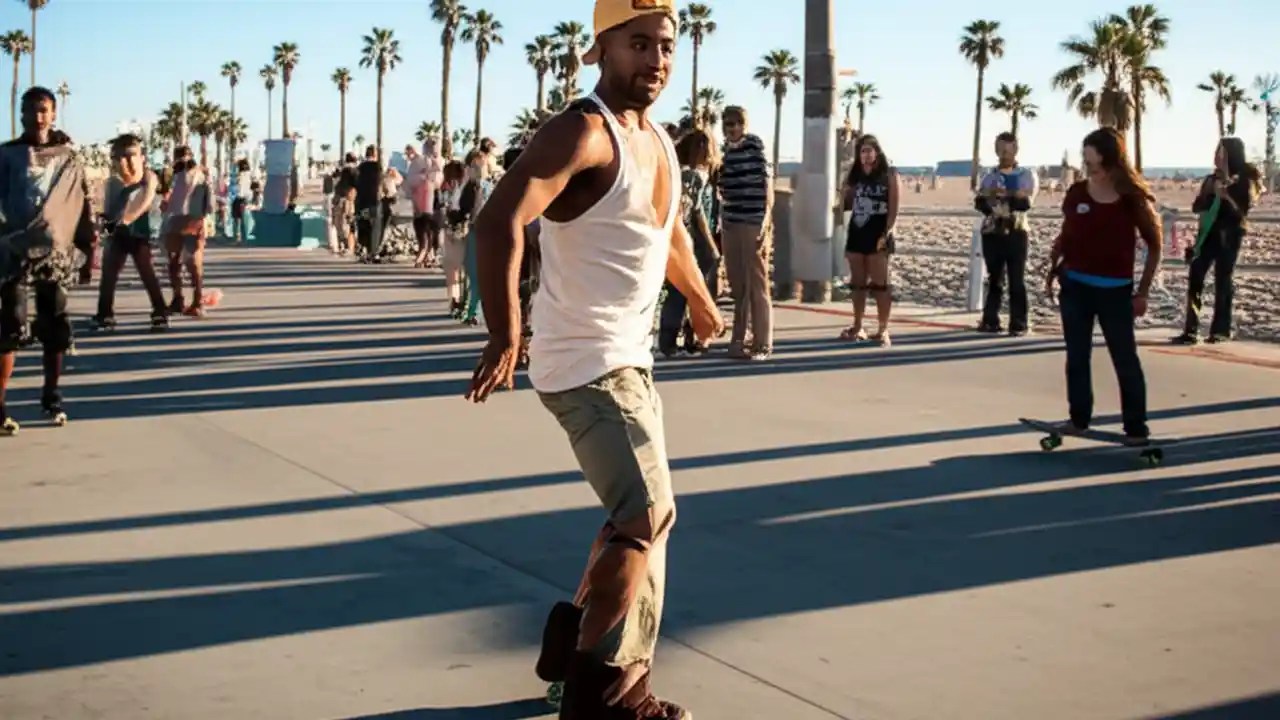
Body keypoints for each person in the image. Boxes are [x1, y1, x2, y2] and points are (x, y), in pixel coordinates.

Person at [466, 1, 721, 717]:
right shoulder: (582, 132)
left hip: (629, 362)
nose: (655, 60)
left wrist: (700, 300)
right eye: (637, 44)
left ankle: (571, 635)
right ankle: (606, 694)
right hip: (586, 363)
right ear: (601, 50)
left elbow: (663, 236)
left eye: (665, 46)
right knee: (647, 514)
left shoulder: (658, 141)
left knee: (639, 519)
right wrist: (503, 334)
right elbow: (497, 220)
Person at [1045, 127, 1161, 445]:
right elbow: (1067, 234)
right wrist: (1054, 265)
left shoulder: (1131, 198)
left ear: (1111, 162)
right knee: (1077, 355)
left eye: (1095, 164)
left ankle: (1136, 426)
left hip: (1116, 290)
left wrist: (1143, 291)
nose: (1090, 170)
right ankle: (1079, 418)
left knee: (1124, 358)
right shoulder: (1078, 193)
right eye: (1086, 163)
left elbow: (1155, 244)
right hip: (1075, 286)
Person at [0, 87, 95, 433]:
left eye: (44, 110)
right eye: (32, 110)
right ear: (21, 114)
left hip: (55, 257)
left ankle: (52, 397)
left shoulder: (68, 157)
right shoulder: (7, 155)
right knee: (9, 329)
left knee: (54, 328)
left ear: (53, 114)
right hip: (12, 256)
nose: (38, 117)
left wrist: (88, 252)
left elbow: (83, 205)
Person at [1172, 136, 1262, 345]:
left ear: (1230, 155)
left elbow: (1243, 211)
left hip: (1230, 235)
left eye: (1220, 152)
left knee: (1223, 280)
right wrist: (1210, 195)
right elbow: (1197, 207)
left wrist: (1226, 196)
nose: (1216, 156)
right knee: (1196, 276)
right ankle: (1191, 330)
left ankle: (1220, 330)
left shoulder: (1243, 181)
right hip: (1209, 235)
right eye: (1216, 151)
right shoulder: (1211, 180)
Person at [93, 134, 170, 331]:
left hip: (139, 235)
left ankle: (160, 311)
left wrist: (123, 220)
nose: (125, 162)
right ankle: (105, 314)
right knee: (109, 275)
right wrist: (106, 228)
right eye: (119, 157)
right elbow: (109, 212)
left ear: (141, 157)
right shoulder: (113, 183)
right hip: (118, 235)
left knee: (147, 273)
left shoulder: (149, 178)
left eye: (130, 156)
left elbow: (144, 202)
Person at [658, 128, 721, 356]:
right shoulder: (695, 176)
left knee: (677, 290)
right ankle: (685, 337)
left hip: (672, 237)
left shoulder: (676, 172)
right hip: (688, 240)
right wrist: (711, 245)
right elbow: (698, 212)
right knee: (687, 290)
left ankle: (670, 339)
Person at [718, 105, 774, 359]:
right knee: (737, 283)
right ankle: (739, 339)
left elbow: (767, 185)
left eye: (735, 124)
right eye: (727, 124)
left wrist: (765, 221)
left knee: (757, 282)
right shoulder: (724, 153)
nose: (731, 129)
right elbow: (722, 190)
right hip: (731, 220)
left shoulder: (755, 146)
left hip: (753, 220)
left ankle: (763, 342)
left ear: (744, 124)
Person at [839, 134, 899, 346]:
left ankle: (883, 329)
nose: (866, 155)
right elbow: (844, 203)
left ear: (877, 152)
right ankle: (858, 325)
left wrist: (887, 232)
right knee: (857, 283)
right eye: (862, 151)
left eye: (869, 150)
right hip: (857, 230)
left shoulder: (888, 174)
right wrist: (845, 187)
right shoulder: (854, 174)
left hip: (878, 231)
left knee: (880, 283)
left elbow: (893, 208)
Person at [975, 132, 1038, 336]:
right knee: (994, 278)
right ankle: (990, 319)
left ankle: (1019, 322)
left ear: (1015, 150)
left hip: (1017, 231)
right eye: (1001, 149)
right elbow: (981, 201)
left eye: (1008, 150)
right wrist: (992, 202)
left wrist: (1003, 197)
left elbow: (1026, 202)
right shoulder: (988, 175)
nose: (1004, 154)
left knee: (1016, 279)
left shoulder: (1026, 174)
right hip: (992, 232)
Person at [161, 146, 212, 317]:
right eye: (179, 157)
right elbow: (170, 199)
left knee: (193, 263)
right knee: (174, 263)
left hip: (193, 221)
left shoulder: (200, 174)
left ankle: (197, 302)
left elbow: (206, 199)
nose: (182, 160)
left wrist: (203, 221)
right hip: (175, 221)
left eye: (185, 157)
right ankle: (178, 299)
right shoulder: (173, 176)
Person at [459, 149, 494, 326]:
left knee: (478, 274)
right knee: (472, 273)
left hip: (485, 233)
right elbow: (461, 208)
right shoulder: (468, 188)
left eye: (479, 166)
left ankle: (474, 311)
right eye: (473, 166)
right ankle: (470, 309)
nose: (476, 169)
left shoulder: (489, 188)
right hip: (472, 231)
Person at [438, 160, 469, 317]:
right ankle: (462, 300)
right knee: (465, 267)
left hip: (451, 229)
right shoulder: (463, 187)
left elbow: (442, 208)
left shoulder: (445, 188)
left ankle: (454, 299)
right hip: (463, 228)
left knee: (452, 268)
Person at [410, 137, 446, 268]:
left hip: (436, 196)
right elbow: (413, 181)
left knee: (433, 227)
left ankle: (430, 253)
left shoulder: (441, 161)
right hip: (425, 197)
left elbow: (439, 179)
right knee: (424, 226)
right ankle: (426, 252)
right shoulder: (420, 161)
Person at [354, 145, 382, 260]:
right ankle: (374, 252)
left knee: (364, 225)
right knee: (375, 226)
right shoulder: (377, 166)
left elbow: (357, 182)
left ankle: (364, 249)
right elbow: (380, 183)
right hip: (374, 201)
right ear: (375, 154)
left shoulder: (361, 167)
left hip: (362, 201)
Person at [230, 158, 252, 245]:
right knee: (243, 219)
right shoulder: (249, 174)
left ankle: (237, 238)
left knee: (237, 219)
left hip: (238, 198)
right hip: (246, 198)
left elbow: (235, 186)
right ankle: (244, 237)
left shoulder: (239, 175)